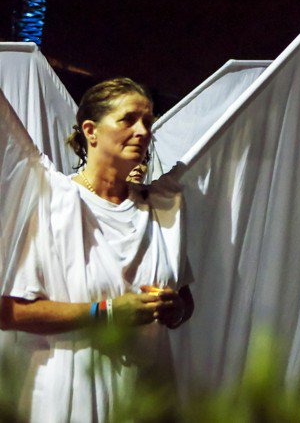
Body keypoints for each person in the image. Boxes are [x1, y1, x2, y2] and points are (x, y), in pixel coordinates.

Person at [0, 78, 193, 422]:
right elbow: (10, 312)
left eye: (148, 122)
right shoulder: (53, 201)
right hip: (70, 393)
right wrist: (103, 313)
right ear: (90, 131)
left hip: (147, 392)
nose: (143, 131)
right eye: (129, 119)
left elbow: (184, 303)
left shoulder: (161, 208)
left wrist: (174, 308)